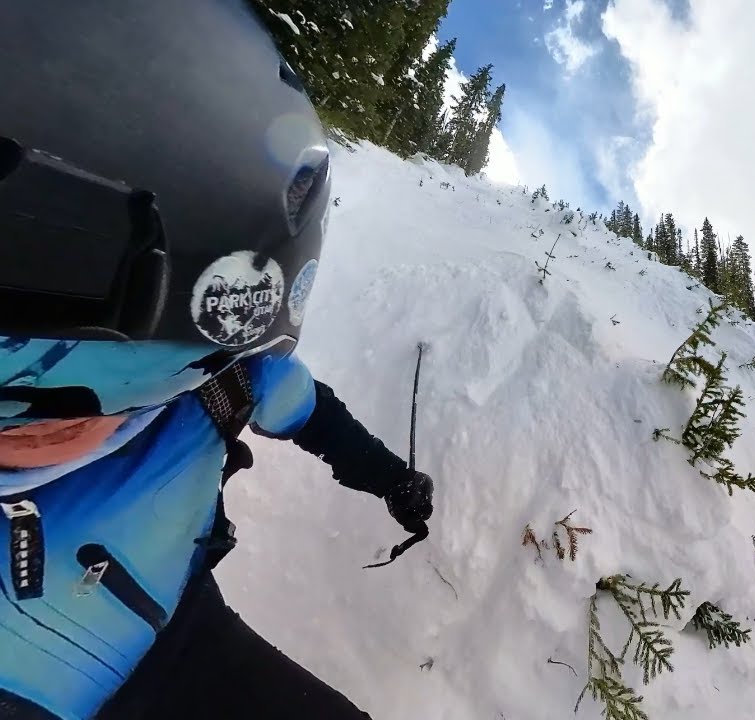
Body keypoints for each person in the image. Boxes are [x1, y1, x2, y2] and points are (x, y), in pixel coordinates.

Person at [0, 2, 434, 718]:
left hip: (180, 640)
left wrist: (391, 479)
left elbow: (309, 412)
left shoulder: (215, 385)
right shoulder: (207, 382)